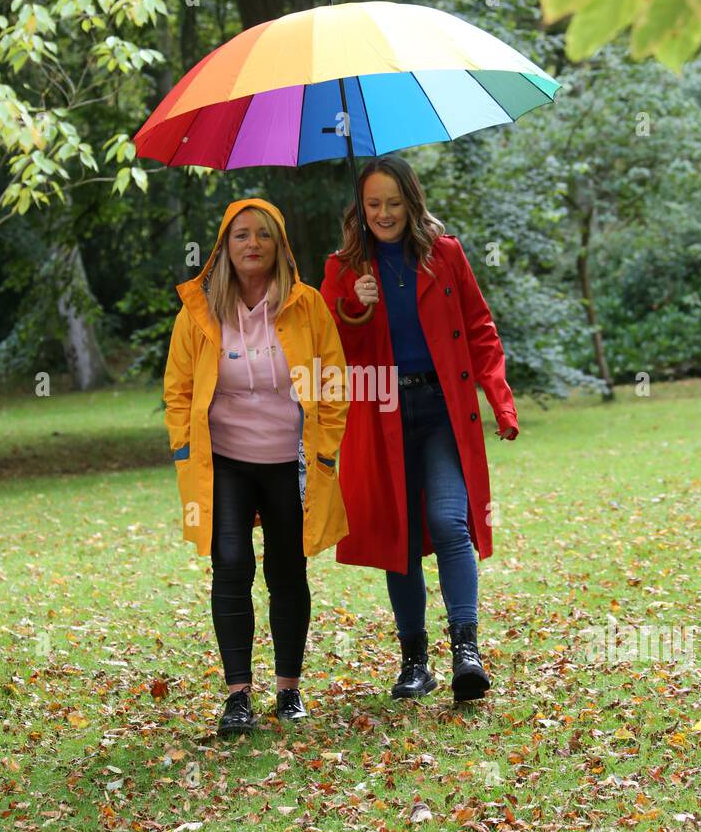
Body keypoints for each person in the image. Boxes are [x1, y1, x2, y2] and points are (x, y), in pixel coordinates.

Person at [320, 156, 518, 702]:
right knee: (397, 535)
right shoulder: (344, 267)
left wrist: (500, 401)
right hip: (379, 412)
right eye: (373, 204)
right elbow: (330, 349)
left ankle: (466, 651)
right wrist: (351, 308)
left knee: (450, 522)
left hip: (440, 409)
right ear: (360, 208)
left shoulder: (445, 253)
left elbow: (480, 328)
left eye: (394, 202)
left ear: (411, 201)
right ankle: (414, 661)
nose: (383, 213)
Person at [163, 198, 349, 736]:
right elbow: (177, 389)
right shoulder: (199, 310)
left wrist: (325, 446)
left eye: (263, 235)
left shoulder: (307, 305)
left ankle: (289, 690)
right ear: (224, 246)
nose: (252, 244)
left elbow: (333, 383)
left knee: (287, 570)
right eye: (241, 235)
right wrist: (182, 445)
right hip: (224, 462)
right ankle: (237, 695)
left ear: (279, 246)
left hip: (289, 460)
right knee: (231, 564)